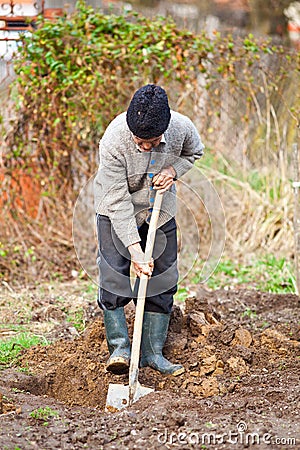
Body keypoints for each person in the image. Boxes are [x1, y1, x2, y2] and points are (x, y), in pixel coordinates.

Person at [94, 84, 204, 377]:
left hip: (160, 211)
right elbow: (116, 200)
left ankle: (152, 353)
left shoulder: (182, 128)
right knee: (114, 273)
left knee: (164, 276)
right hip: (115, 208)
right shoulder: (114, 140)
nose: (144, 147)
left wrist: (173, 171)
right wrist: (135, 250)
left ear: (165, 131)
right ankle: (119, 348)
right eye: (139, 141)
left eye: (152, 142)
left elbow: (195, 152)